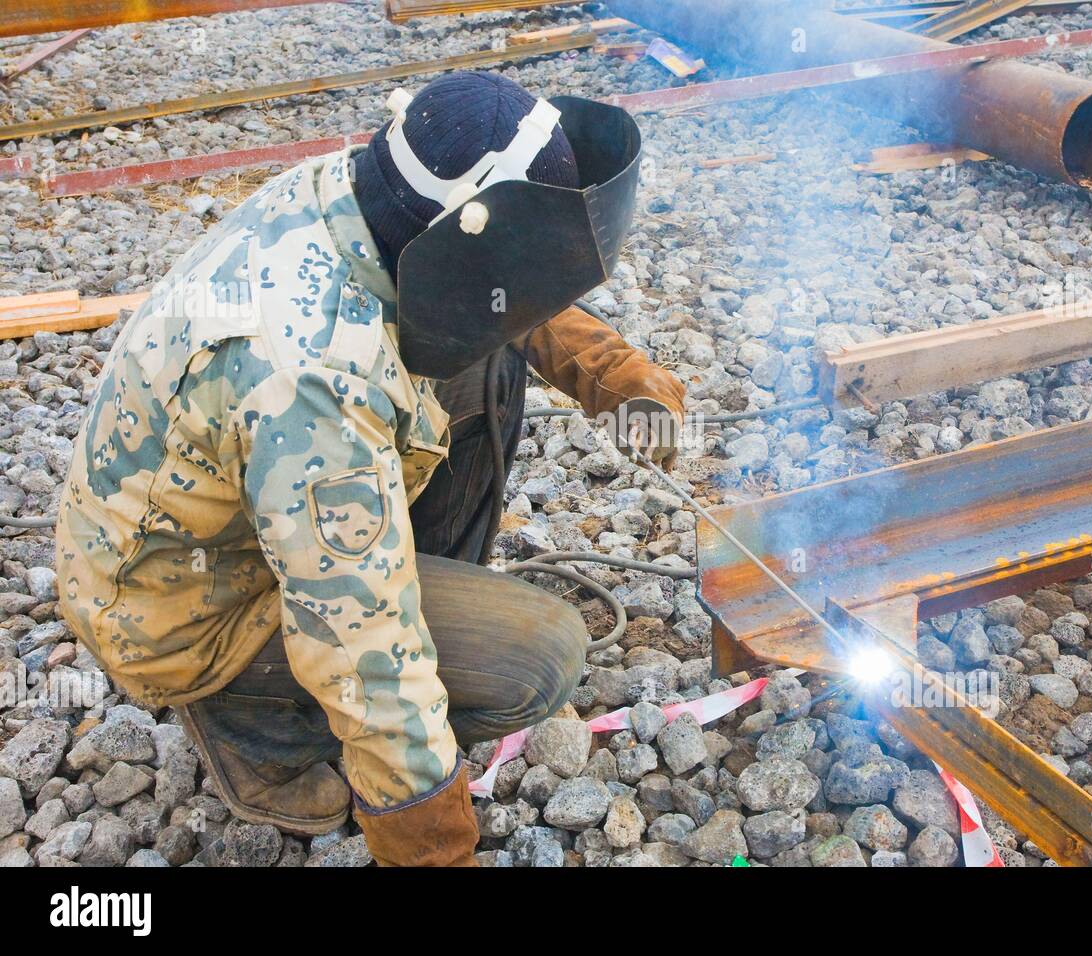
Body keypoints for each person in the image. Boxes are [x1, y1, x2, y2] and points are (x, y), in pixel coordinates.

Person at [55, 70, 684, 866]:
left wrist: (611, 373)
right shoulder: (309, 386)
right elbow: (362, 646)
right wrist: (430, 843)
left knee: (486, 361)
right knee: (540, 655)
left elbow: (494, 279)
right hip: (182, 608)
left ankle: (418, 592)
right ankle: (259, 732)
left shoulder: (364, 197)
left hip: (237, 505)